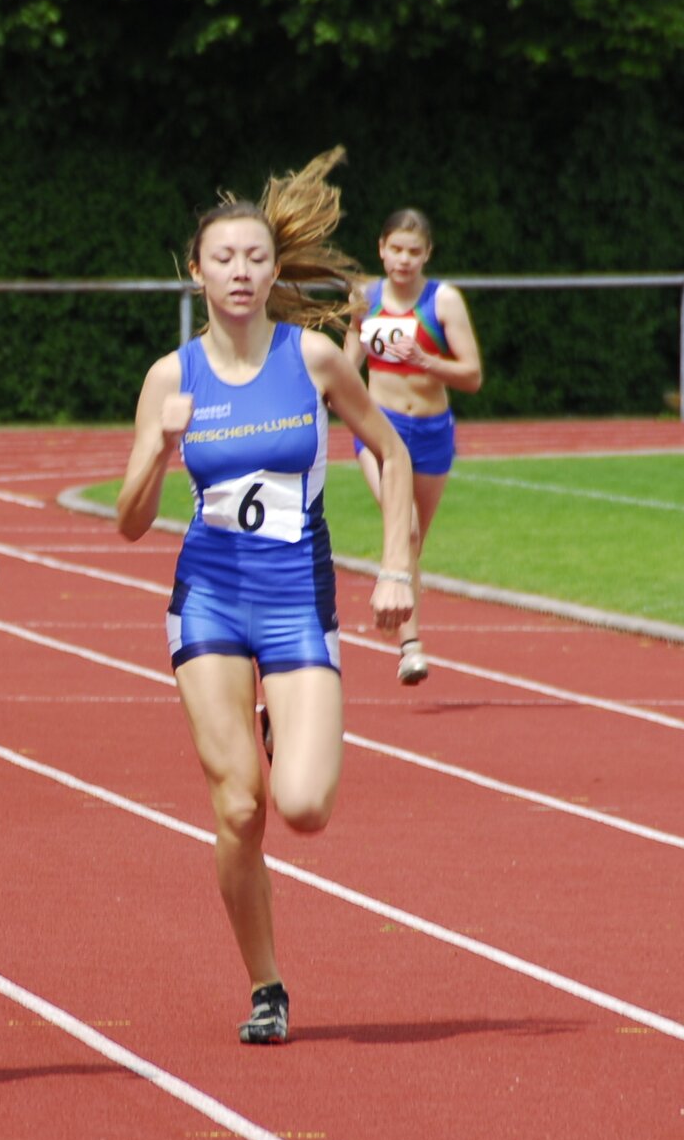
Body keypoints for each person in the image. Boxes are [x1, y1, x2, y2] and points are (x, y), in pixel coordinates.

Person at [116, 148, 415, 1046]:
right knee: (238, 807)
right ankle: (266, 984)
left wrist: (397, 565)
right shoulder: (171, 378)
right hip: (207, 596)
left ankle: (286, 720)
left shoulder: (314, 358)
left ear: (274, 269)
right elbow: (130, 521)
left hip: (296, 598)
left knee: (305, 805)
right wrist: (159, 452)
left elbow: (391, 454)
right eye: (224, 259)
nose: (241, 272)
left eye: (255, 258)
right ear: (196, 271)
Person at [343, 209, 484, 685]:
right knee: (403, 529)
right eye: (395, 249)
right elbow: (348, 362)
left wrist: (427, 360)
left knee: (413, 542)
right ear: (381, 248)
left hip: (431, 431)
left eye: (413, 251)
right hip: (381, 429)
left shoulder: (442, 301)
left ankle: (396, 607)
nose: (403, 260)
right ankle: (411, 646)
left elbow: (472, 375)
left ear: (427, 254)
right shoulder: (364, 297)